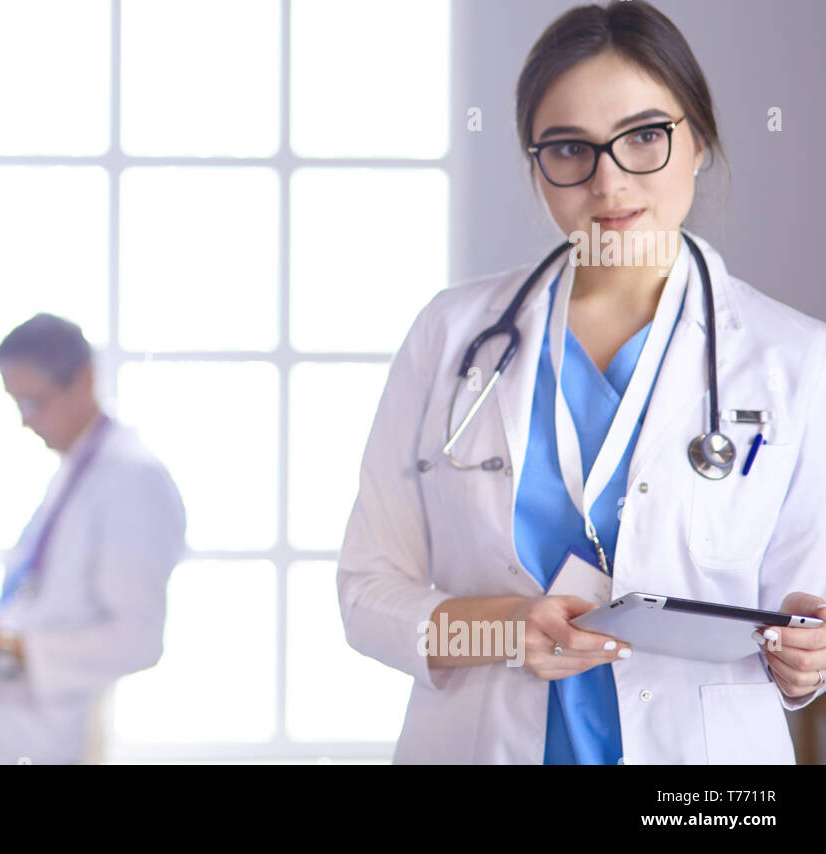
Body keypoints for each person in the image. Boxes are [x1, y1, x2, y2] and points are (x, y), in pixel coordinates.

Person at [337, 0, 826, 764]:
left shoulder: (796, 361)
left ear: (698, 141)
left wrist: (807, 661)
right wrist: (504, 628)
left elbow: (803, 628)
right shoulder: (451, 335)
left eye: (643, 138)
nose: (608, 181)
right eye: (570, 148)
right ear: (536, 163)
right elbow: (367, 595)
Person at [0, 313, 186, 764]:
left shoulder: (134, 480)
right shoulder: (77, 470)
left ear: (86, 379)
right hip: (2, 684)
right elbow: (39, 600)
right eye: (16, 404)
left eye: (34, 403)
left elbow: (140, 640)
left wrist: (1, 645)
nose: (25, 422)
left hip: (38, 718)